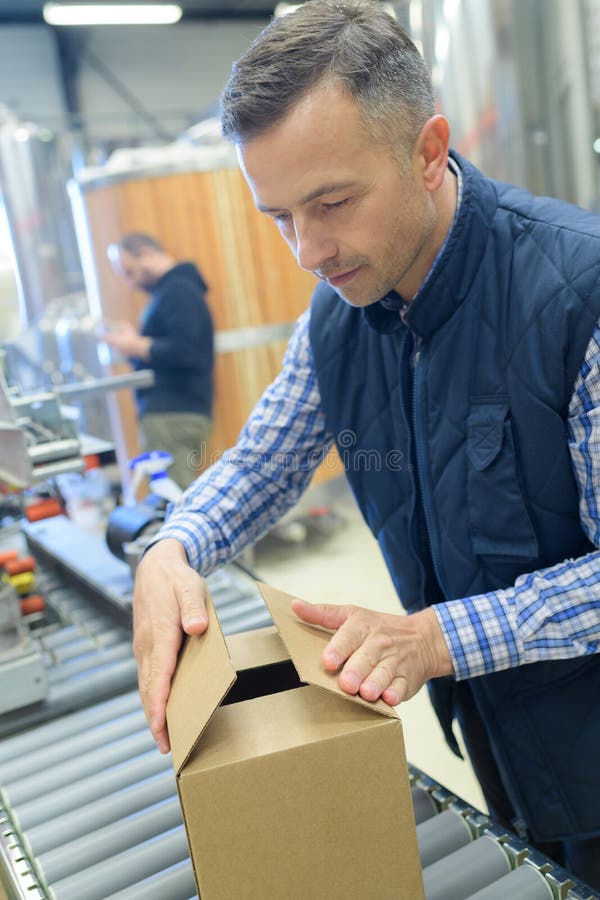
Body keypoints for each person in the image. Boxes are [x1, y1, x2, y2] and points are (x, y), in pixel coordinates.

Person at [132, 1, 600, 886]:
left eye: (331, 203)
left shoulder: (579, 296)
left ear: (427, 152)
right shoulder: (340, 314)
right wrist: (173, 546)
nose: (307, 250)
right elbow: (267, 459)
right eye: (278, 217)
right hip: (505, 750)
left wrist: (437, 639)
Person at [104, 233, 214, 489]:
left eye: (129, 272)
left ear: (147, 256)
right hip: (173, 413)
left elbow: (186, 350)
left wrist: (135, 345)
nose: (130, 283)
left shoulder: (177, 290)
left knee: (175, 499)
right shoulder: (174, 291)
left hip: (173, 414)